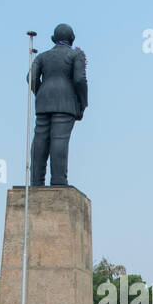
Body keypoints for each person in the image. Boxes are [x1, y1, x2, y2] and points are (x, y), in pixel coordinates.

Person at [28, 23, 88, 187]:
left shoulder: (42, 57)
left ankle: (36, 181)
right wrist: (82, 103)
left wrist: (41, 93)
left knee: (40, 141)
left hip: (43, 103)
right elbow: (79, 80)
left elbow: (31, 77)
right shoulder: (75, 57)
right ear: (72, 39)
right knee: (59, 141)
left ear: (53, 39)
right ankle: (59, 181)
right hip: (65, 104)